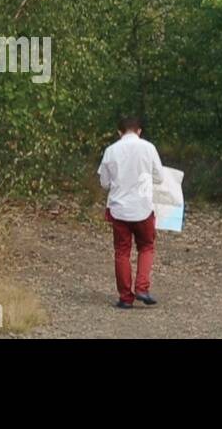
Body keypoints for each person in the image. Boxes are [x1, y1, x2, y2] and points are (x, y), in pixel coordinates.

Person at [97, 116, 166, 309]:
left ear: (119, 132)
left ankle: (125, 298)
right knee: (146, 247)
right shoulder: (149, 148)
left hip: (119, 209)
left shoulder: (110, 151)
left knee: (122, 252)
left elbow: (104, 183)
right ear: (139, 131)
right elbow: (159, 177)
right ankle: (142, 288)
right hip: (143, 207)